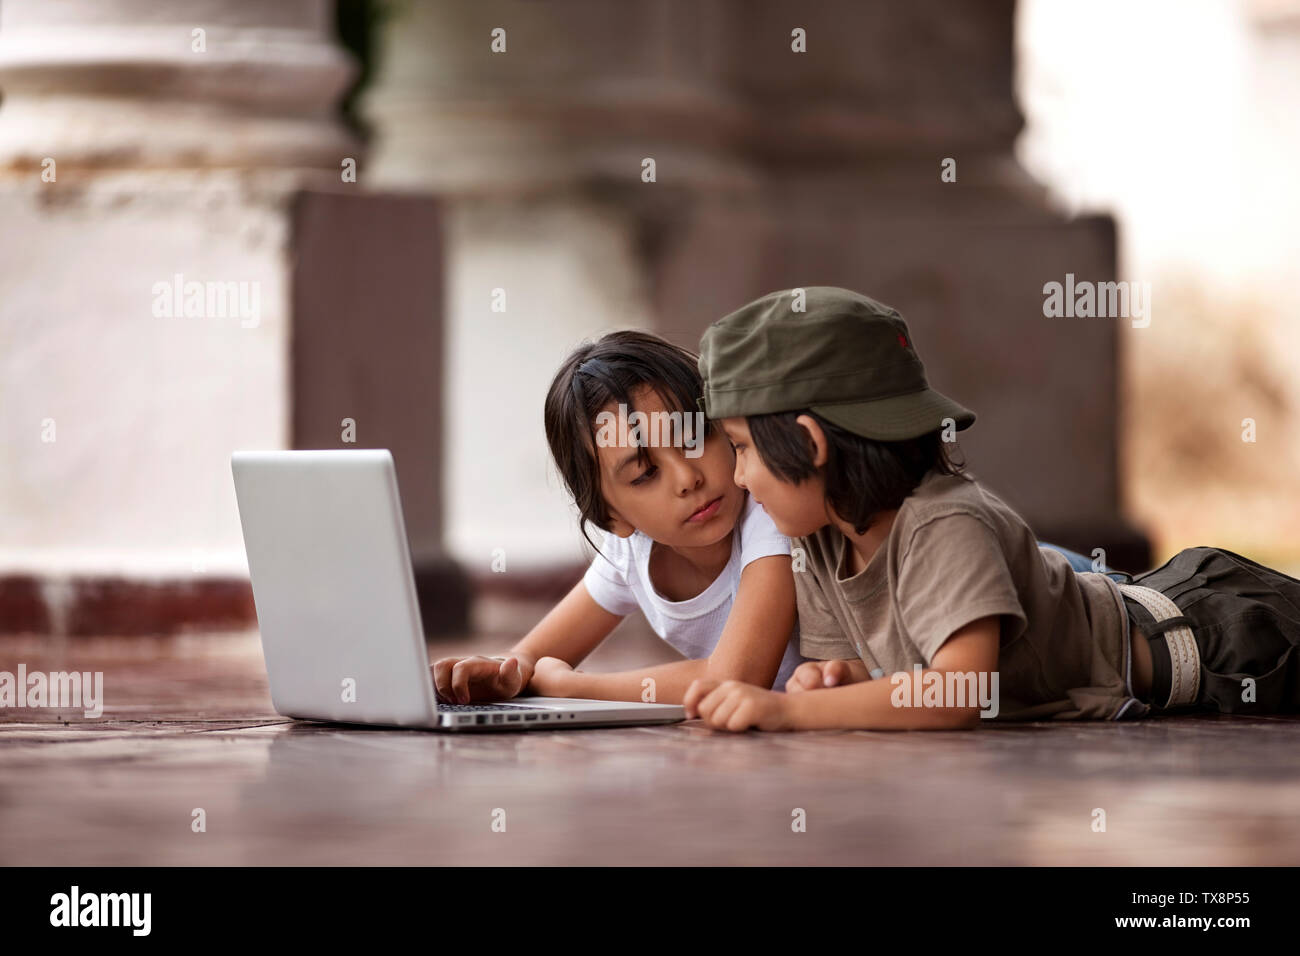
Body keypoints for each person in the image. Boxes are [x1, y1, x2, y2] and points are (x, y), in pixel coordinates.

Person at [682, 286, 1300, 730]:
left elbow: (958, 691)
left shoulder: (942, 520)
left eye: (740, 449)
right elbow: (871, 661)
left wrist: (792, 709)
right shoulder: (816, 542)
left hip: (1220, 642)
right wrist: (838, 677)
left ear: (811, 444)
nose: (736, 477)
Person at [432, 330, 804, 705]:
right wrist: (495, 673)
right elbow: (528, 658)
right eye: (645, 473)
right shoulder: (632, 550)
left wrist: (572, 687)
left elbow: (735, 679)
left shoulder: (768, 511)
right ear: (612, 517)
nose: (687, 478)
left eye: (695, 437)